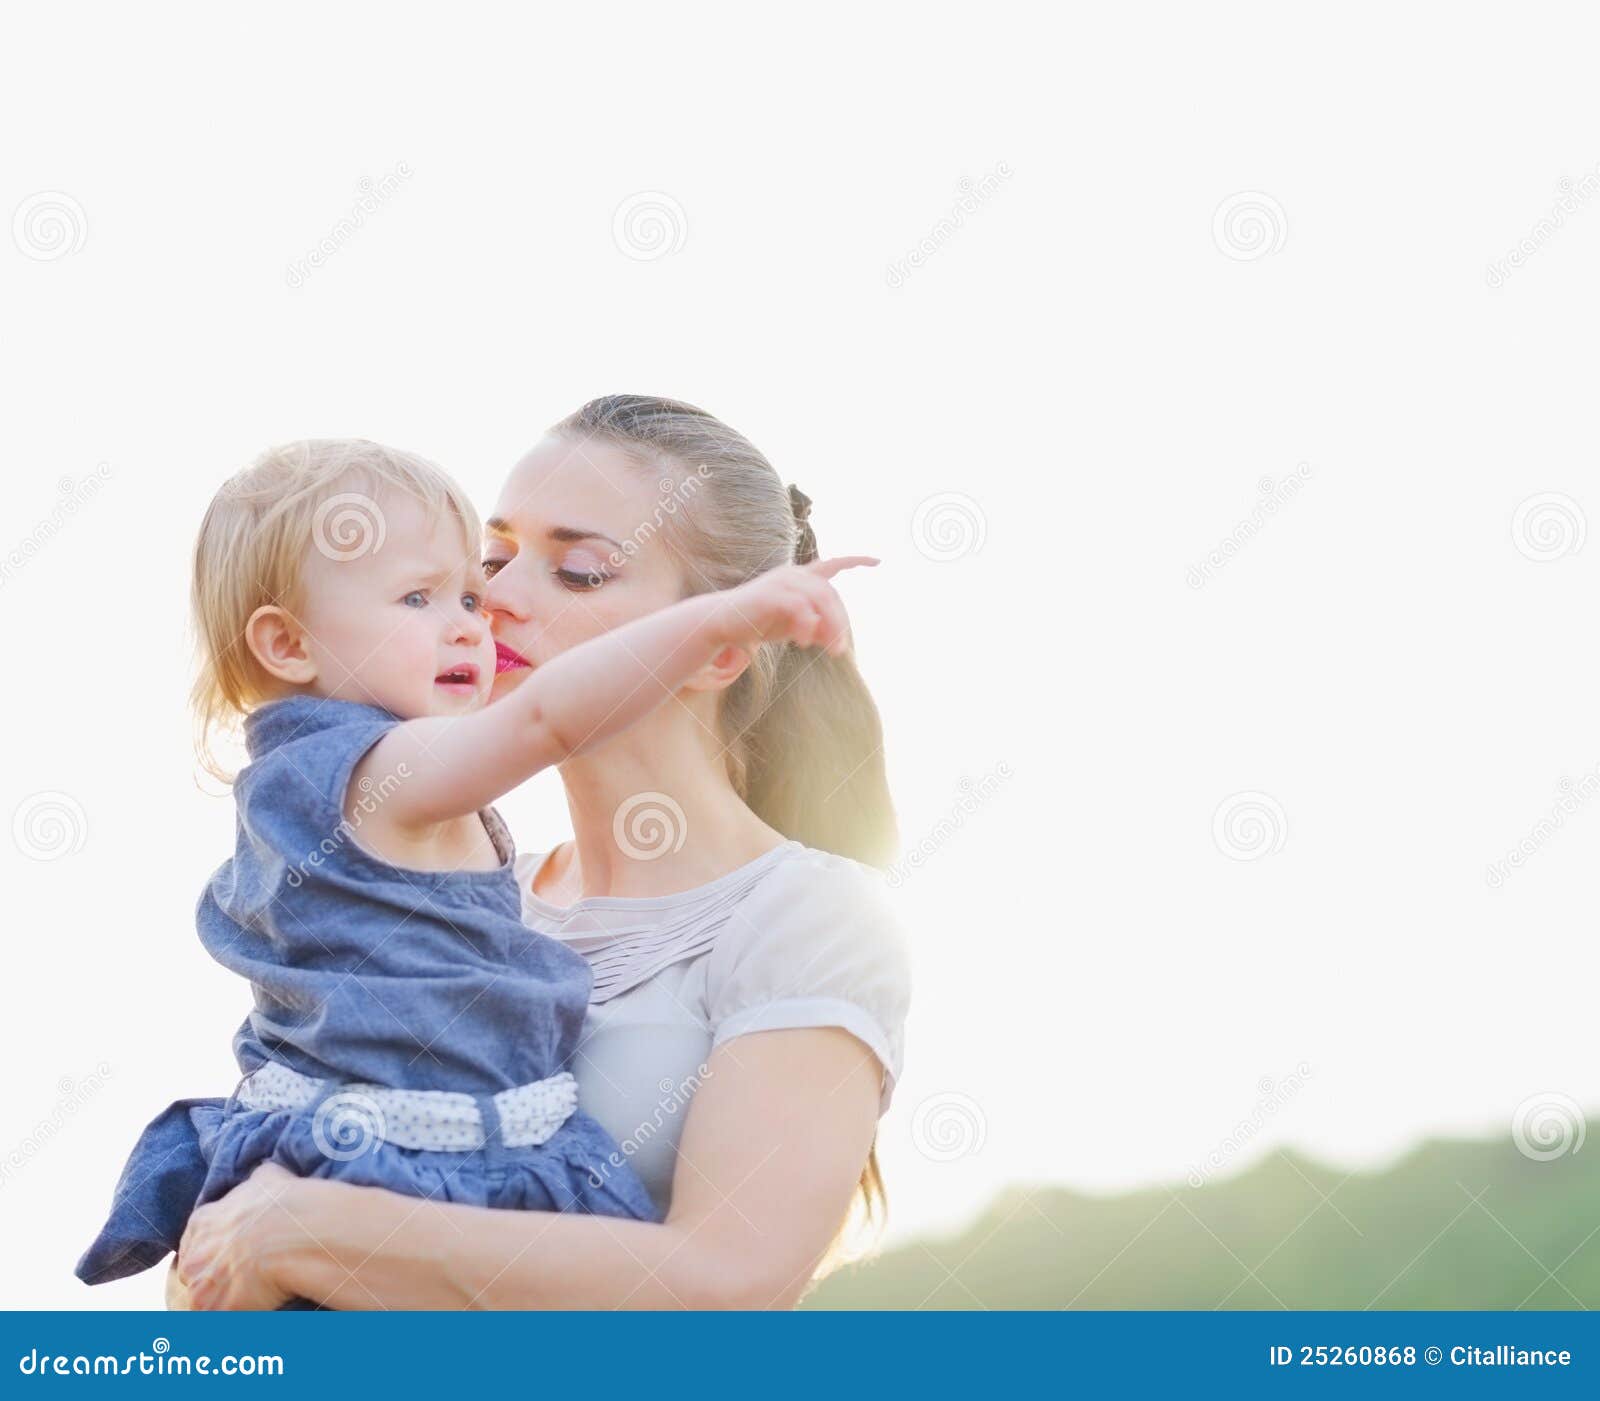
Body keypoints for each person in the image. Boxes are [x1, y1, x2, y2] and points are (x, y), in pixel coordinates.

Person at [74, 435, 868, 1296]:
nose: (487, 608)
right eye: (483, 568)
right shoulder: (384, 793)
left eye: (580, 571)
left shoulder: (808, 917)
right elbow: (541, 725)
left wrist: (295, 1232)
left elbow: (721, 1292)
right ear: (287, 644)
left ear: (724, 652)